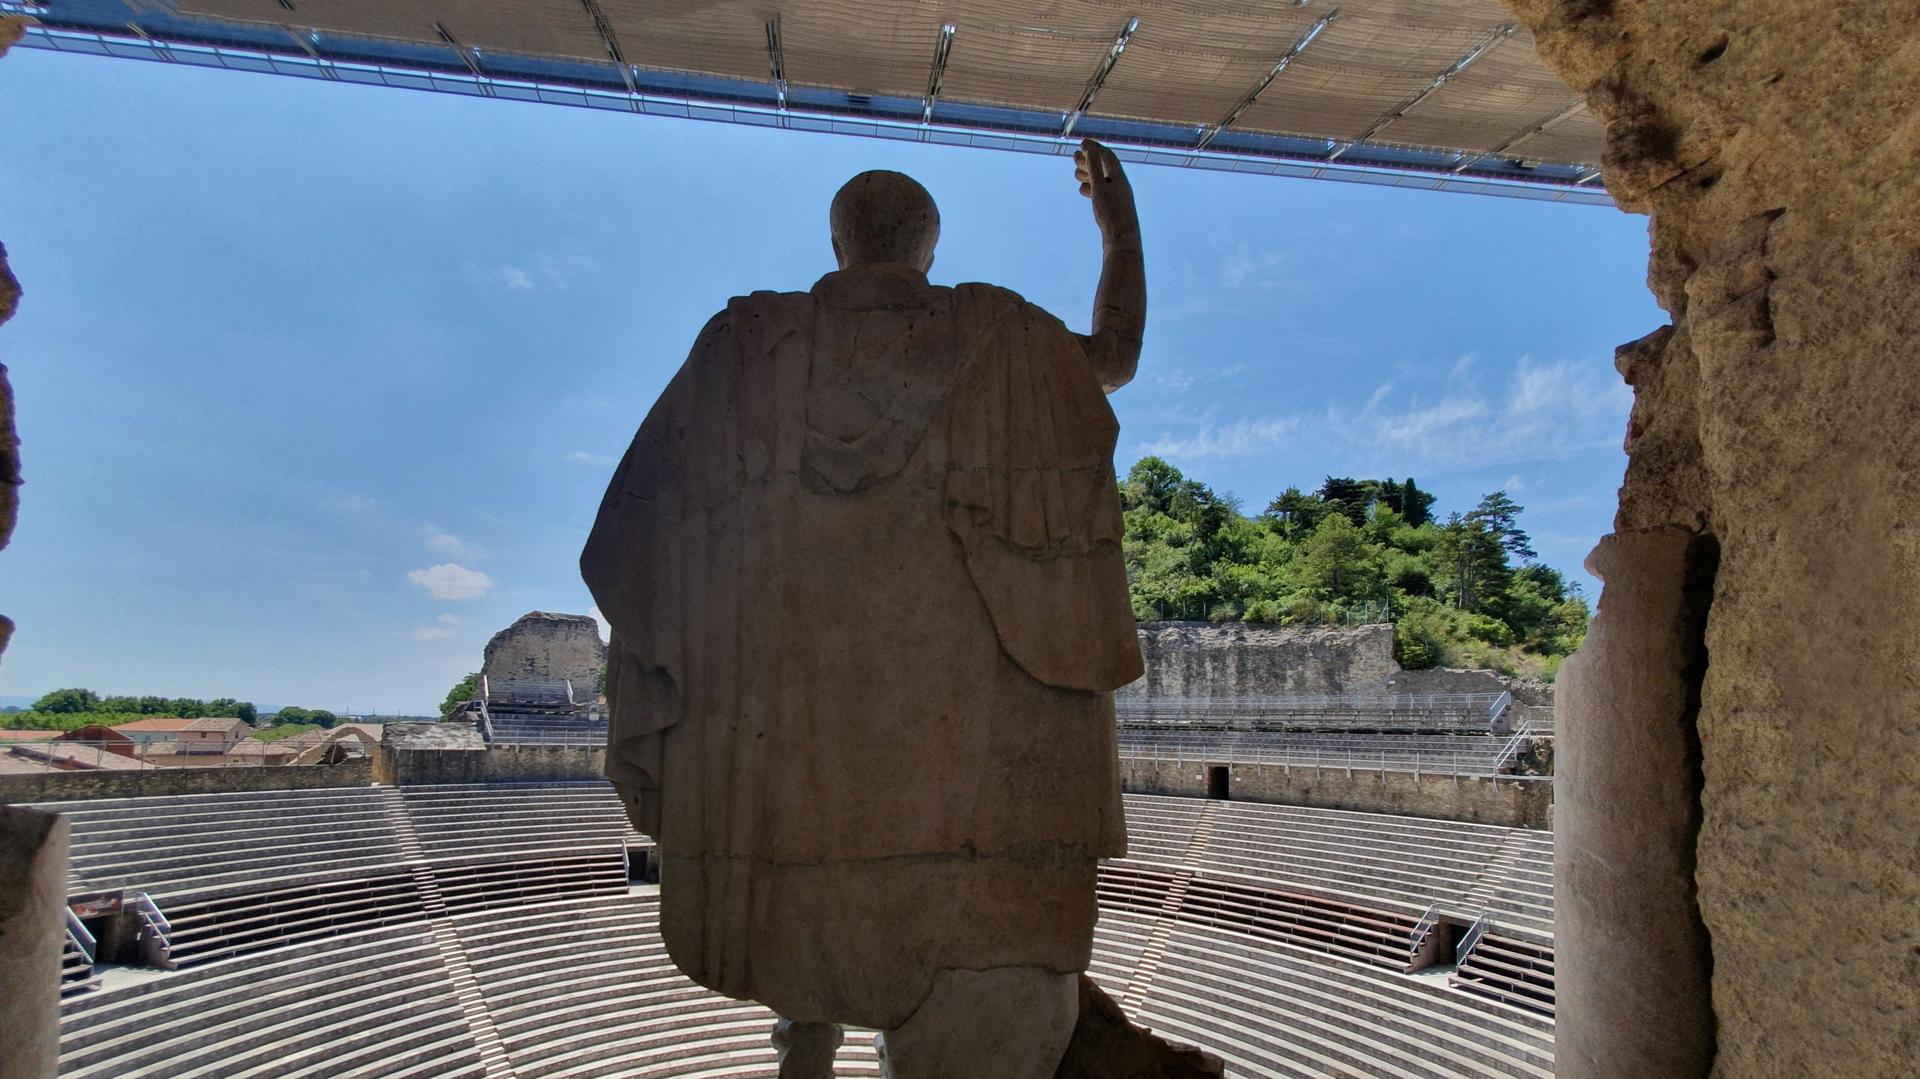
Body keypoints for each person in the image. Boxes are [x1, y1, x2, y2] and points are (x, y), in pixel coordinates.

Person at [582, 139, 1146, 1079]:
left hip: (795, 782)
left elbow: (634, 542)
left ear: (838, 243)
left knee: (805, 933)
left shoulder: (746, 344)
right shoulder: (1001, 335)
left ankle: (807, 1029)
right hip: (959, 782)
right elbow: (1116, 355)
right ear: (928, 246)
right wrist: (1117, 224)